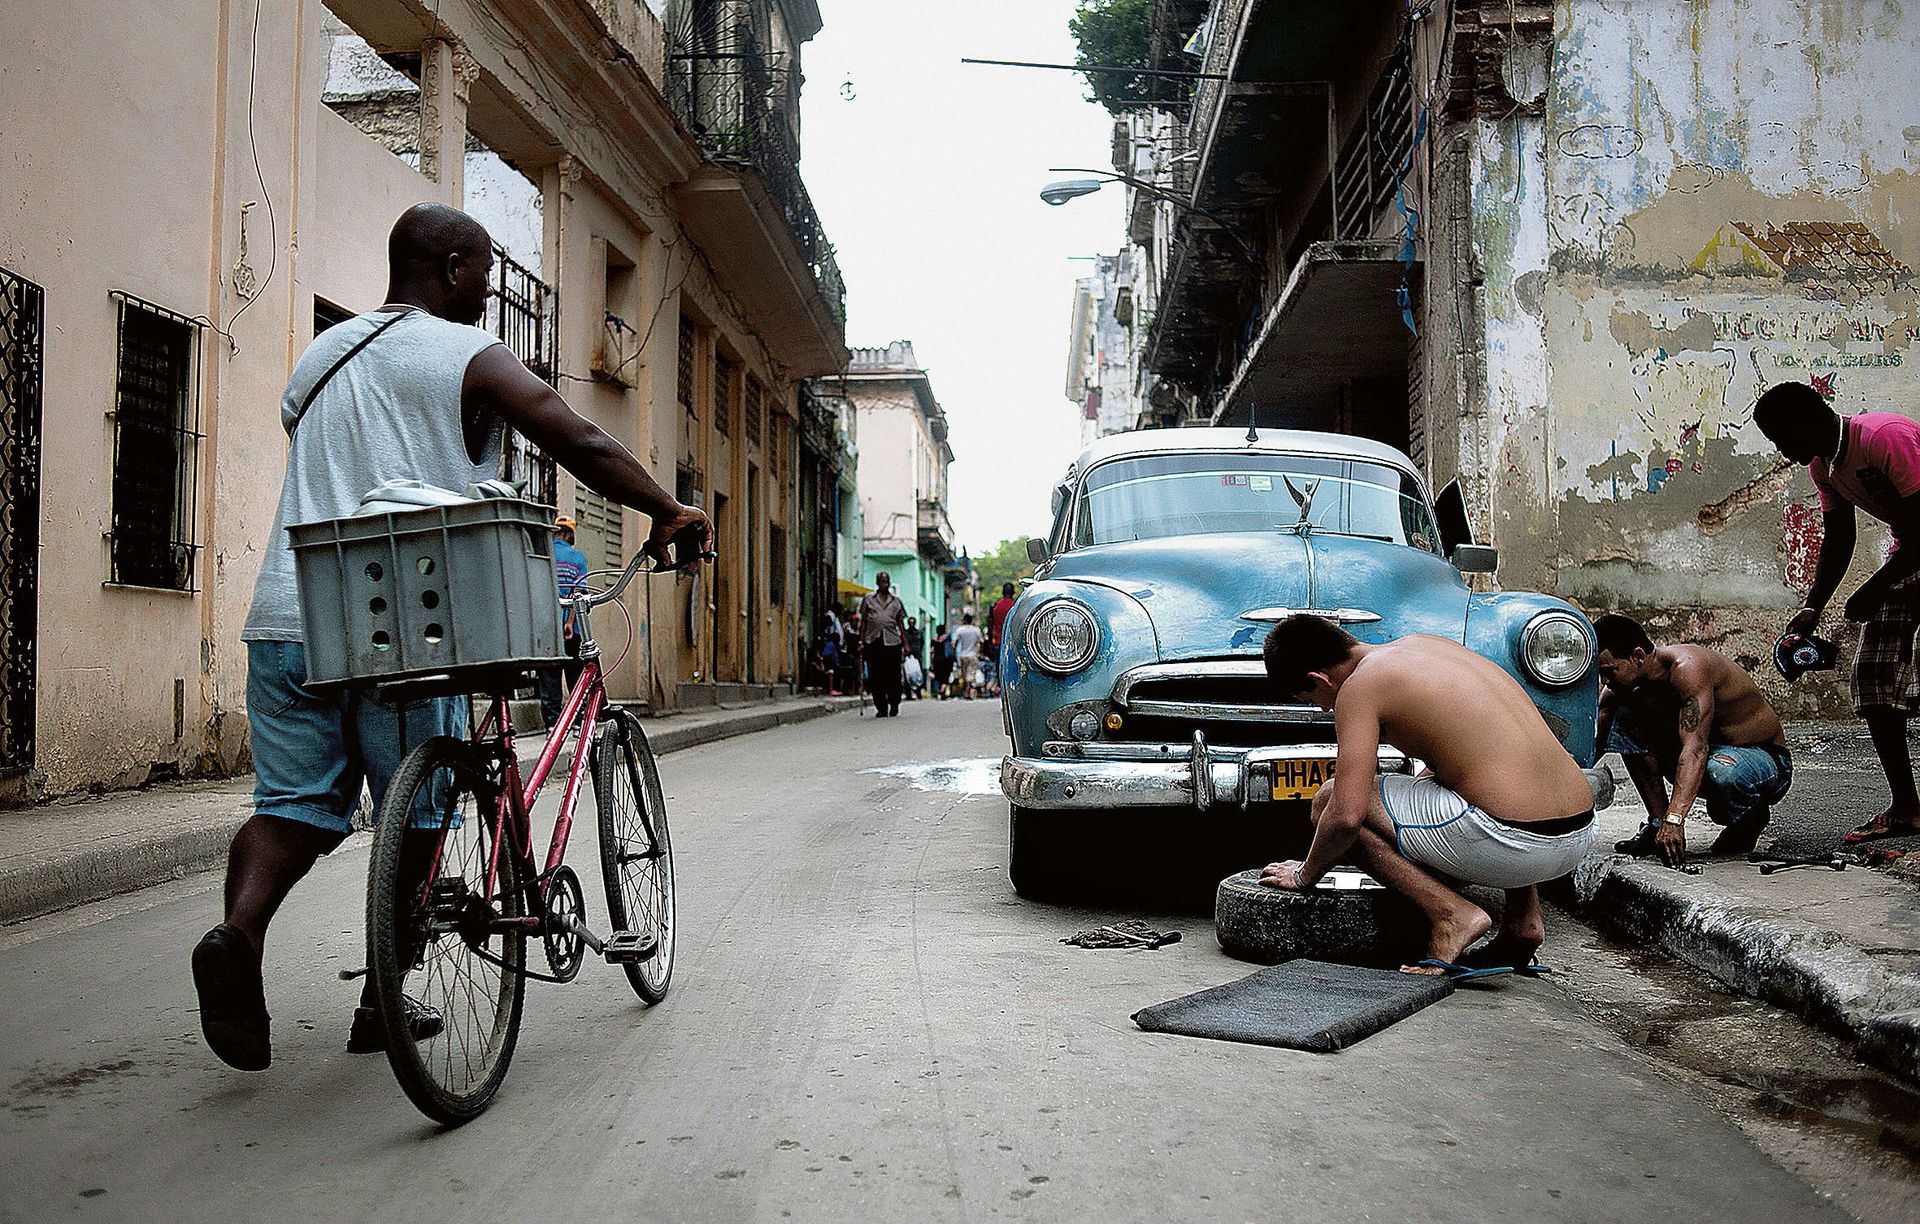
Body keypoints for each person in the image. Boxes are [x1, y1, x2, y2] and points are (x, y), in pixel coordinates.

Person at [194, 203, 713, 1072]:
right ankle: (383, 996)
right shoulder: (462, 353)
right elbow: (571, 431)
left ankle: (237, 937)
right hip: (404, 622)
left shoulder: (323, 355)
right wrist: (664, 507)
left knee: (288, 811)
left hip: (291, 614)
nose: (487, 289)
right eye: (481, 272)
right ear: (450, 270)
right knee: (421, 809)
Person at [1257, 615, 1597, 975]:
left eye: (1311, 699)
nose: (1323, 708)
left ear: (1318, 679)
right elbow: (1460, 758)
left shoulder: (1360, 686)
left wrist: (1305, 875)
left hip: (1515, 843)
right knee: (1487, 783)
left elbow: (1345, 817)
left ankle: (1452, 916)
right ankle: (1523, 922)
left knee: (1329, 801)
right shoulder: (1426, 646)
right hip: (1579, 834)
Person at [1755, 381, 1920, 844]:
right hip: (1909, 555)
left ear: (1804, 423)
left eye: (1782, 439)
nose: (1784, 452)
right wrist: (1813, 608)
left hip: (1911, 554)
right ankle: (1907, 808)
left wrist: (1874, 588)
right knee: (1872, 678)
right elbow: (1840, 536)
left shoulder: (1883, 436)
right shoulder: (1823, 467)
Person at [1595, 614, 1792, 865]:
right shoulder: (1619, 690)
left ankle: (1749, 820)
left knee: (1722, 772)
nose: (1605, 681)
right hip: (1707, 757)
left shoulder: (1688, 668)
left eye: (1609, 671)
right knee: (1622, 717)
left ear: (1638, 656)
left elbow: (1696, 748)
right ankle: (1656, 825)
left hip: (1763, 760)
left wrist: (1675, 819)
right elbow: (1593, 748)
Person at [536, 515, 589, 728]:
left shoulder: (544, 555)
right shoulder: (577, 558)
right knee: (575, 674)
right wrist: (569, 621)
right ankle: (576, 721)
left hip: (546, 624)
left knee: (549, 675)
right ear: (569, 534)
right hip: (572, 628)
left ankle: (552, 723)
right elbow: (579, 592)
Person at [859, 573, 908, 717]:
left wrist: (905, 643)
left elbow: (900, 623)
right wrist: (861, 641)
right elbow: (864, 622)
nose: (884, 585)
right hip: (873, 642)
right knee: (875, 677)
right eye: (882, 582)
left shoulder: (896, 602)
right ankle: (881, 707)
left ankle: (894, 703)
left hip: (892, 643)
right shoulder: (868, 599)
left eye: (886, 582)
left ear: (889, 583)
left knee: (893, 676)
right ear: (877, 583)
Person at [952, 612, 983, 699]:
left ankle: (967, 692)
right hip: (973, 655)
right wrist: (980, 651)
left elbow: (954, 643)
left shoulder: (960, 629)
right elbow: (981, 641)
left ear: (964, 620)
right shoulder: (976, 630)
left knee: (965, 674)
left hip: (962, 655)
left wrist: (954, 652)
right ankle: (969, 692)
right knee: (971, 673)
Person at [988, 582, 1017, 663]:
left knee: (998, 671)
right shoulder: (1015, 607)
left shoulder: (996, 606)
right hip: (1012, 645)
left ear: (1003, 592)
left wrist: (990, 643)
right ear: (1013, 593)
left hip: (998, 642)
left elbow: (990, 625)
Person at [931, 622, 954, 699]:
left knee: (937, 676)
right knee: (945, 677)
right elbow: (952, 648)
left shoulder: (934, 640)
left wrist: (931, 663)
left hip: (937, 660)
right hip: (946, 660)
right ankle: (942, 690)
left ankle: (938, 690)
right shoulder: (947, 638)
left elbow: (932, 652)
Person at [904, 616, 926, 700]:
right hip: (908, 657)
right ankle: (908, 694)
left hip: (917, 657)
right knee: (908, 675)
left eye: (913, 622)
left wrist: (920, 652)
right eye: (910, 622)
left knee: (918, 675)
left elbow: (922, 643)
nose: (911, 624)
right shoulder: (905, 633)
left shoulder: (919, 633)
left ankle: (918, 693)